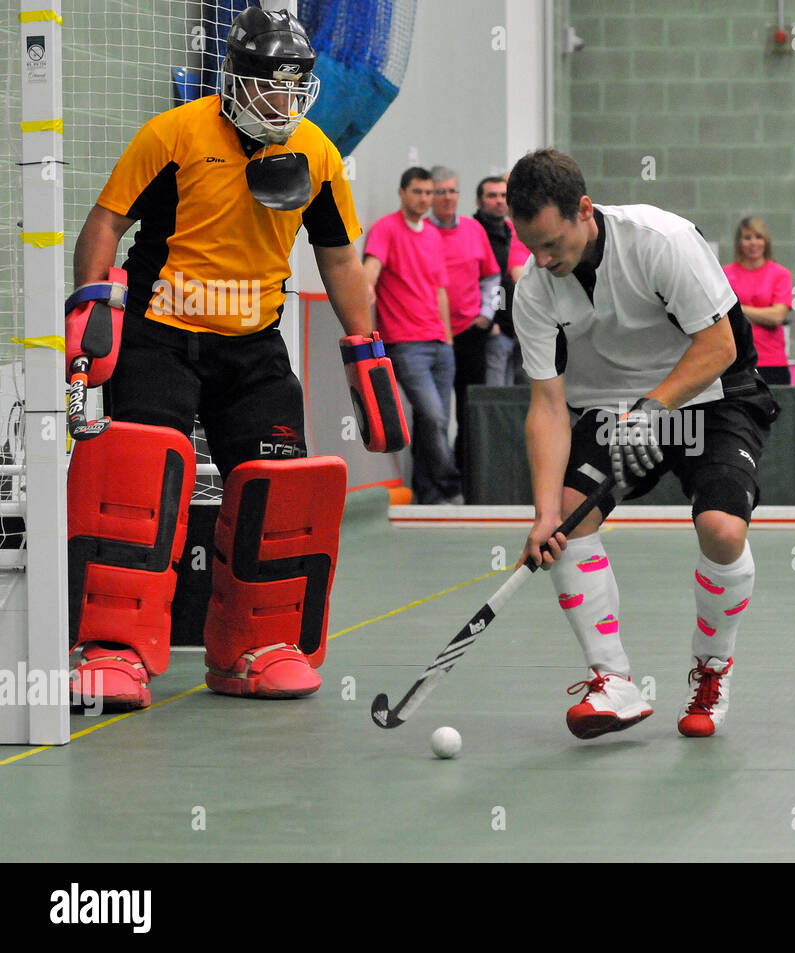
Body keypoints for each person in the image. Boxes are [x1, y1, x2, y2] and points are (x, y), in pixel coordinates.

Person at [65, 7, 404, 708]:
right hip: (162, 333)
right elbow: (106, 221)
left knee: (279, 492)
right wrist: (92, 305)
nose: (282, 103)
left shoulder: (315, 154)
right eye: (270, 88)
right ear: (237, 80)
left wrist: (366, 351)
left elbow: (339, 256)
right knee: (137, 481)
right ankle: (113, 648)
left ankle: (257, 647)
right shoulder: (174, 135)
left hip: (253, 342)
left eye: (294, 89)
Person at [507, 148, 780, 739]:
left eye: (553, 242)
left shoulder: (663, 240)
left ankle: (711, 670)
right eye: (532, 247)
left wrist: (653, 409)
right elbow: (548, 406)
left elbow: (720, 347)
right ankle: (614, 682)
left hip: (714, 397)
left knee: (722, 528)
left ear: (584, 210)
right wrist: (544, 512)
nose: (544, 258)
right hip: (609, 408)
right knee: (569, 524)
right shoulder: (533, 290)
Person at [364, 167, 461, 504]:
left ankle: (428, 494)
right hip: (405, 344)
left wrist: (447, 338)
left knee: (434, 422)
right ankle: (452, 484)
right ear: (402, 193)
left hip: (439, 345)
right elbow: (368, 276)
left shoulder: (433, 234)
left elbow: (440, 291)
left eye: (428, 193)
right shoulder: (386, 229)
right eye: (418, 192)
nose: (424, 199)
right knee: (433, 416)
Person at [429, 166, 501, 480]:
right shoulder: (420, 231)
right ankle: (437, 482)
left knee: (470, 410)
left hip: (471, 333)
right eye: (440, 191)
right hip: (432, 335)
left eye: (452, 191)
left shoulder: (473, 230)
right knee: (434, 415)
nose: (447, 198)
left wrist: (487, 314)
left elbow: (492, 276)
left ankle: (471, 479)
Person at [722, 216, 794, 385]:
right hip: (736, 362)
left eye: (758, 237)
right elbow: (723, 317)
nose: (753, 243)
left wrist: (738, 309)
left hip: (772, 363)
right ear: (740, 243)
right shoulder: (724, 274)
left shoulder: (780, 274)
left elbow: (777, 317)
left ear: (765, 241)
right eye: (747, 238)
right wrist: (763, 315)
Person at [473, 175, 531, 386]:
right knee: (495, 396)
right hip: (493, 331)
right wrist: (489, 323)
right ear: (479, 201)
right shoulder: (473, 232)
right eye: (492, 196)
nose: (499, 200)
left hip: (519, 329)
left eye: (503, 195)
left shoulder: (512, 233)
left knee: (522, 396)